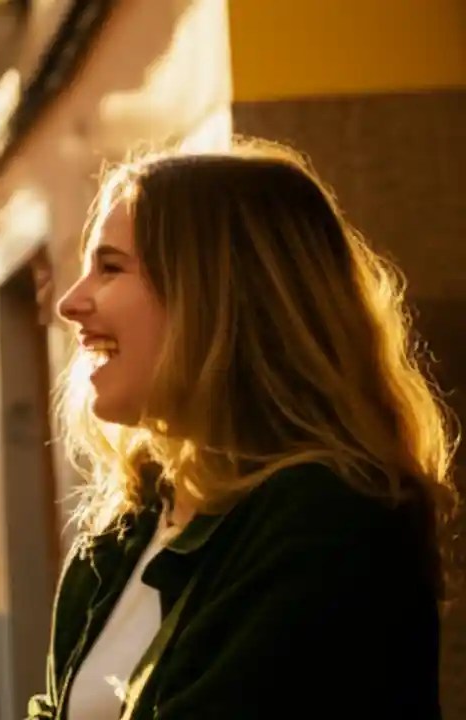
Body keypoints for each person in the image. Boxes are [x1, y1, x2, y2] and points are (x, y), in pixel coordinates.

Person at [27, 139, 457, 719]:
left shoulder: (327, 522)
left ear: (217, 293)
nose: (70, 304)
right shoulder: (129, 525)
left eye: (110, 267)